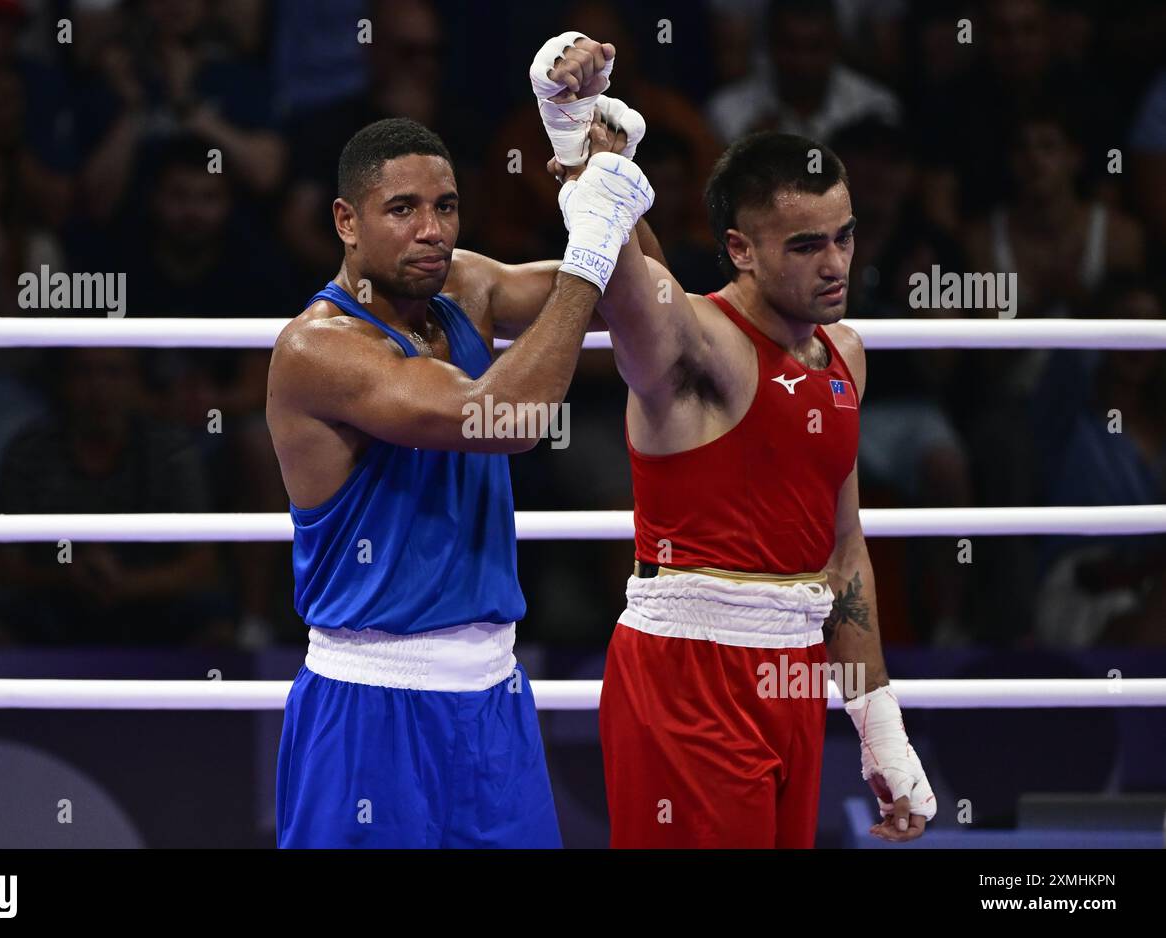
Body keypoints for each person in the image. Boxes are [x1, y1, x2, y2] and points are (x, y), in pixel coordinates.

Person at [531, 33, 935, 847]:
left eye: (844, 236)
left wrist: (878, 722)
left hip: (793, 674)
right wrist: (571, 132)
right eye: (806, 245)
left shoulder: (845, 355)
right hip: (688, 677)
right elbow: (629, 280)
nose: (835, 263)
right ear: (741, 249)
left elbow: (843, 549)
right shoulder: (697, 344)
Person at [267, 116, 653, 847]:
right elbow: (505, 418)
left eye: (445, 206)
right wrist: (591, 245)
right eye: (402, 209)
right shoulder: (317, 349)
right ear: (346, 221)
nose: (431, 231)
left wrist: (597, 176)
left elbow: (643, 299)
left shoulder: (468, 285)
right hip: (370, 702)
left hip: (494, 696)